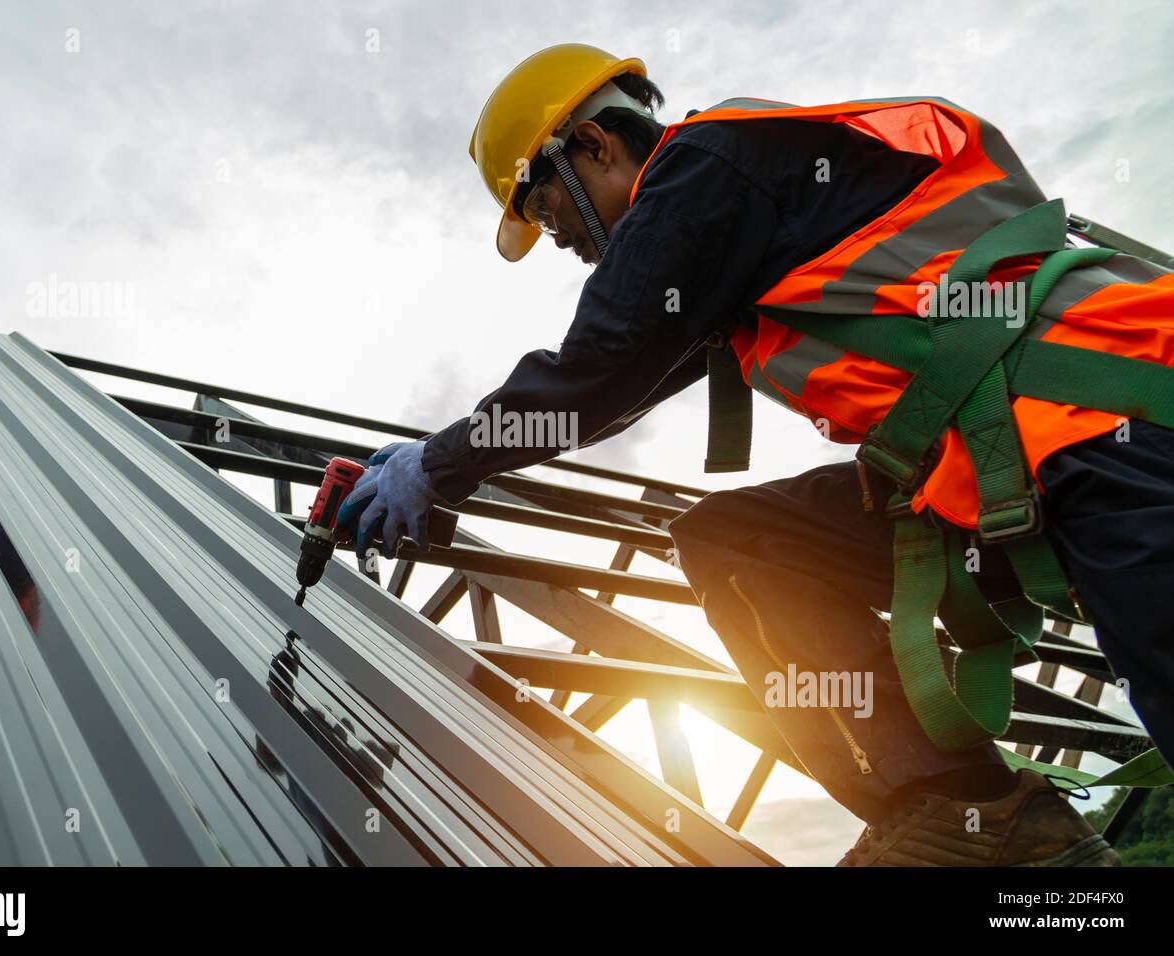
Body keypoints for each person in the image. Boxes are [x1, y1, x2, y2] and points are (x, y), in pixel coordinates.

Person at [337, 43, 1174, 866]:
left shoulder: (705, 166)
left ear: (592, 145)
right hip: (1004, 464)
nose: (558, 239)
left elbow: (601, 364)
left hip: (1106, 422)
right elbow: (609, 388)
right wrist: (437, 456)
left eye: (549, 209)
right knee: (737, 542)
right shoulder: (738, 239)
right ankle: (972, 819)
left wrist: (435, 466)